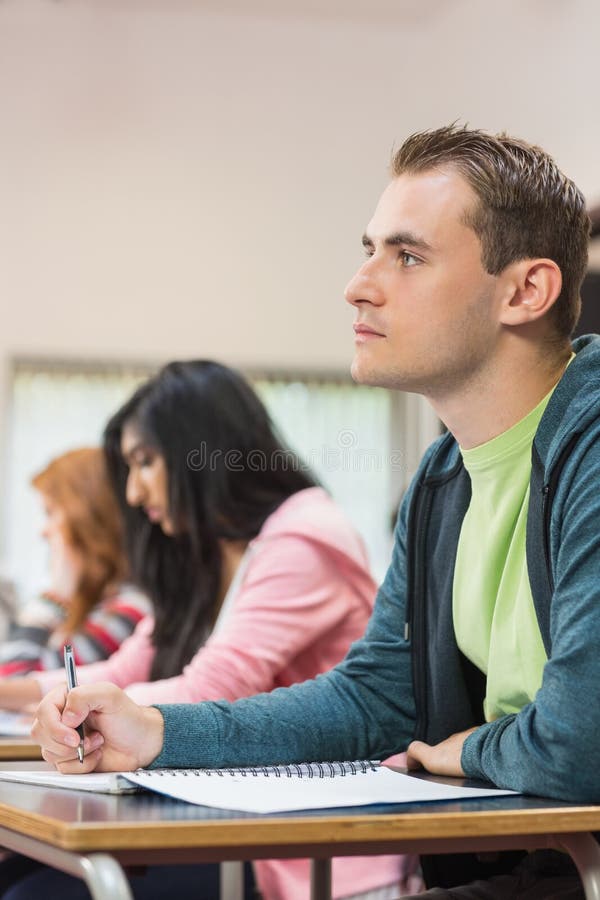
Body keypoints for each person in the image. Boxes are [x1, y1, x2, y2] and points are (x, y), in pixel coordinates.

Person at [32, 124, 597, 898]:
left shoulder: (590, 442)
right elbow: (375, 697)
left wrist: (464, 750)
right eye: (369, 249)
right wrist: (157, 732)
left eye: (407, 255)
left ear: (525, 291)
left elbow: (579, 742)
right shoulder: (441, 479)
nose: (358, 285)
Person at [11, 361, 414, 899]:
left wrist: (84, 708)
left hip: (302, 842)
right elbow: (128, 669)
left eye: (146, 463)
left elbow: (211, 688)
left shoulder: (304, 537)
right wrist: (43, 696)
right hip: (222, 813)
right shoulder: (209, 556)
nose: (133, 493)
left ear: (197, 452)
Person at [0, 447, 150, 690]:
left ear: (87, 518)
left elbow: (14, 680)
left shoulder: (129, 610)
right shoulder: (96, 604)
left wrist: (54, 596)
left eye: (50, 513)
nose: (43, 531)